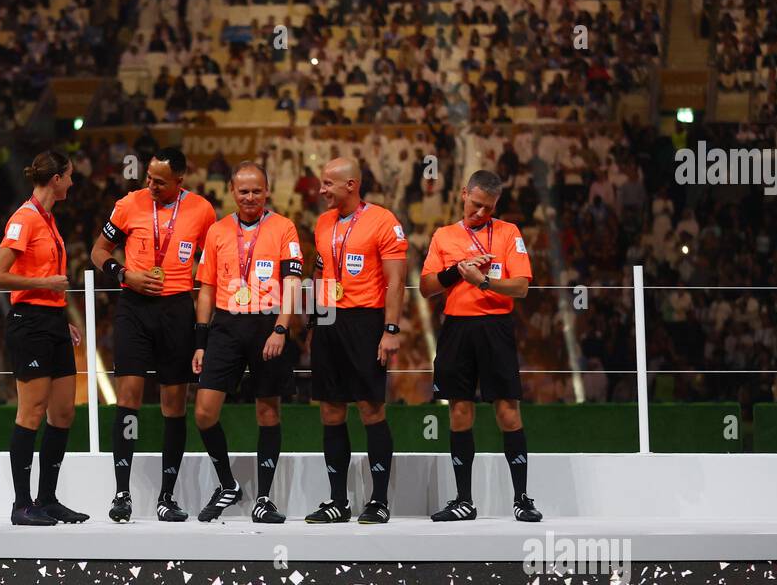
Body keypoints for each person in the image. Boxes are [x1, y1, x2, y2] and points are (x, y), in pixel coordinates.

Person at [91, 147, 217, 522]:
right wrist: (123, 274)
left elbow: (213, 259)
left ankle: (166, 496)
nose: (151, 185)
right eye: (148, 177)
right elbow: (98, 251)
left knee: (173, 406)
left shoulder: (202, 210)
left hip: (177, 311)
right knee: (127, 398)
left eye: (160, 182)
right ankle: (122, 494)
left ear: (180, 180)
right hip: (133, 308)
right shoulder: (128, 204)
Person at [419, 170, 541, 522]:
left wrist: (484, 281)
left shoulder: (508, 233)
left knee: (507, 411)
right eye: (475, 204)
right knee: (459, 411)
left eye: (488, 207)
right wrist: (458, 271)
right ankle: (464, 501)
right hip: (457, 328)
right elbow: (427, 287)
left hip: (495, 327)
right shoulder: (444, 236)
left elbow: (521, 287)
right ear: (463, 194)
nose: (480, 213)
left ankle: (522, 499)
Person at [192, 162, 302, 524]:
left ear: (267, 191)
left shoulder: (284, 227)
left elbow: (292, 283)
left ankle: (264, 499)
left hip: (267, 323)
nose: (250, 197)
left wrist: (281, 328)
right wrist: (201, 341)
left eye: (257, 191)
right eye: (243, 191)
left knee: (267, 411)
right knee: (204, 412)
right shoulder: (217, 230)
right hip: (226, 325)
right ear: (232, 191)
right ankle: (228, 484)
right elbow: (206, 288)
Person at [0, 150, 88, 526]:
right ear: (56, 179)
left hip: (52, 321)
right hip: (28, 324)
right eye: (70, 176)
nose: (73, 182)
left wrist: (61, 318)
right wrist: (44, 284)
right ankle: (21, 505)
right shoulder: (24, 218)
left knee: (63, 413)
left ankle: (48, 499)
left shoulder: (48, 218)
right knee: (31, 412)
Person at [305, 156, 407, 524]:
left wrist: (390, 330)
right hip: (329, 321)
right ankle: (338, 501)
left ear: (351, 185)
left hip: (366, 321)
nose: (322, 190)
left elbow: (396, 280)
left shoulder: (383, 221)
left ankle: (378, 500)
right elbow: (319, 269)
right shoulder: (323, 222)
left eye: (328, 183)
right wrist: (314, 320)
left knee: (370, 409)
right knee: (330, 410)